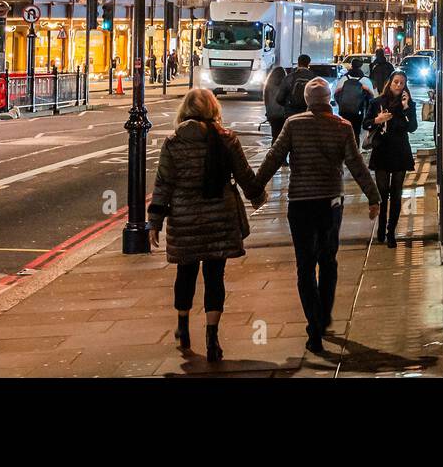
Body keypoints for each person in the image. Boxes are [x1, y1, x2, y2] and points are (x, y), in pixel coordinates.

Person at [255, 78, 381, 353]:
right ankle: (323, 316)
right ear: (328, 100)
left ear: (308, 100)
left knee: (305, 265)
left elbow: (274, 157)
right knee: (328, 260)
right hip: (330, 203)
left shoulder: (294, 124)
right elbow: (356, 163)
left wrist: (255, 190)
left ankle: (313, 326)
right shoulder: (342, 126)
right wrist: (373, 197)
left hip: (301, 203)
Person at [147, 88, 267, 360]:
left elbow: (163, 184)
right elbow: (245, 174)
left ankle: (182, 326)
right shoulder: (227, 139)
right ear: (213, 109)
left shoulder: (173, 142)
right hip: (219, 218)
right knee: (215, 277)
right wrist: (258, 196)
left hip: (184, 218)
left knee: (185, 274)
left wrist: (154, 222)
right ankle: (212, 338)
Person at [364, 69, 418, 247]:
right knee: (382, 192)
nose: (398, 85)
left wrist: (406, 108)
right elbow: (366, 123)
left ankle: (391, 232)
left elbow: (412, 128)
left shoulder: (408, 104)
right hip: (382, 151)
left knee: (396, 193)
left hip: (400, 151)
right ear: (390, 82)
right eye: (396, 82)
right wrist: (377, 120)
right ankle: (381, 227)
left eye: (402, 83)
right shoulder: (377, 102)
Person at [335, 60, 376, 138]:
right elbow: (371, 97)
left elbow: (336, 94)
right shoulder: (365, 80)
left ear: (351, 66)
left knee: (344, 132)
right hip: (358, 112)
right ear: (361, 67)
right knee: (356, 133)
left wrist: (341, 104)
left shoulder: (344, 79)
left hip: (344, 111)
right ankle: (355, 148)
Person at [274, 54, 317, 119]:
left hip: (291, 114)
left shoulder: (289, 77)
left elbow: (279, 98)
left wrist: (288, 105)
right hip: (308, 114)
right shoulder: (314, 78)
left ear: (298, 63)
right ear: (308, 64)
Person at [263, 66, 289, 142]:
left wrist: (268, 113)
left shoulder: (268, 86)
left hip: (272, 115)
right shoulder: (285, 85)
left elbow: (266, 101)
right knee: (283, 136)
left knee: (275, 136)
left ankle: (274, 151)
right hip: (283, 114)